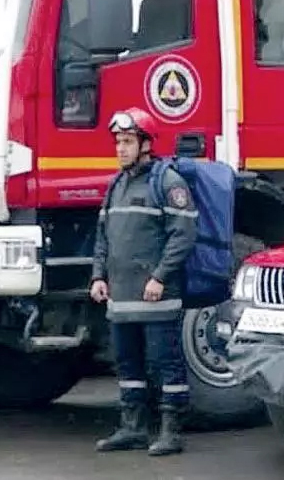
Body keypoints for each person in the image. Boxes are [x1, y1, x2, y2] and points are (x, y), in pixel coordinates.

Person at [90, 107, 198, 456]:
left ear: (146, 144)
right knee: (127, 364)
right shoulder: (115, 184)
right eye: (118, 142)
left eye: (127, 141)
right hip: (120, 298)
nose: (120, 148)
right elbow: (103, 237)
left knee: (164, 362)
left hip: (157, 297)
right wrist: (97, 276)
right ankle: (132, 428)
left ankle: (171, 432)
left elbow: (182, 235)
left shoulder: (167, 182)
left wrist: (160, 277)